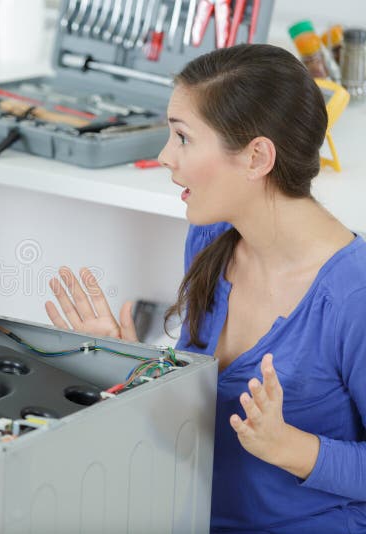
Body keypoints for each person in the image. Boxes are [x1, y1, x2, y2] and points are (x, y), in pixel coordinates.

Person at [46, 44, 366, 532]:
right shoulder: (212, 236)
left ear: (257, 156)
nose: (163, 156)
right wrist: (136, 368)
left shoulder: (352, 295)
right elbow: (194, 425)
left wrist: (291, 448)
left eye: (183, 138)